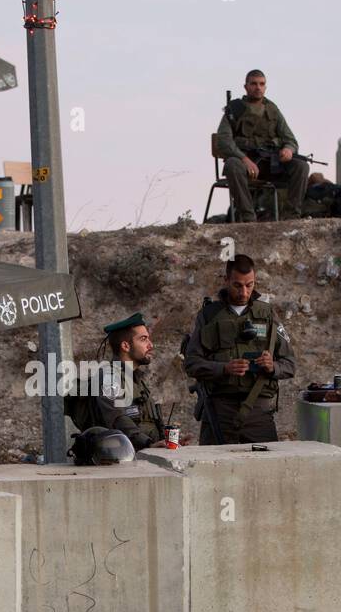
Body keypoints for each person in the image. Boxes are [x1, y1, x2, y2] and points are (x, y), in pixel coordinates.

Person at [183, 254, 295, 443]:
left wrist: (272, 366)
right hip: (219, 411)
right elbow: (192, 363)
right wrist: (224, 368)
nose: (244, 292)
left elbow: (290, 365)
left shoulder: (268, 315)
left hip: (258, 412)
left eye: (249, 285)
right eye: (237, 285)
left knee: (265, 470)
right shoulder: (208, 315)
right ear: (226, 280)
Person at [216, 69, 311, 222]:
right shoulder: (235, 109)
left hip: (271, 164)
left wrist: (288, 150)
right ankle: (248, 218)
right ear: (246, 87)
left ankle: (291, 217)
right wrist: (244, 159)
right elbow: (223, 141)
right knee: (232, 165)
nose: (258, 87)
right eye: (253, 84)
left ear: (265, 87)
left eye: (262, 84)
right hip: (245, 165)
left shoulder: (272, 110)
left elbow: (291, 139)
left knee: (301, 166)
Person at [65, 312, 168, 451]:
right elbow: (117, 418)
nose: (151, 345)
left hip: (142, 455)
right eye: (143, 339)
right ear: (125, 346)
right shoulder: (109, 377)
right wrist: (147, 443)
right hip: (119, 459)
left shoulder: (136, 380)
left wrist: (167, 441)